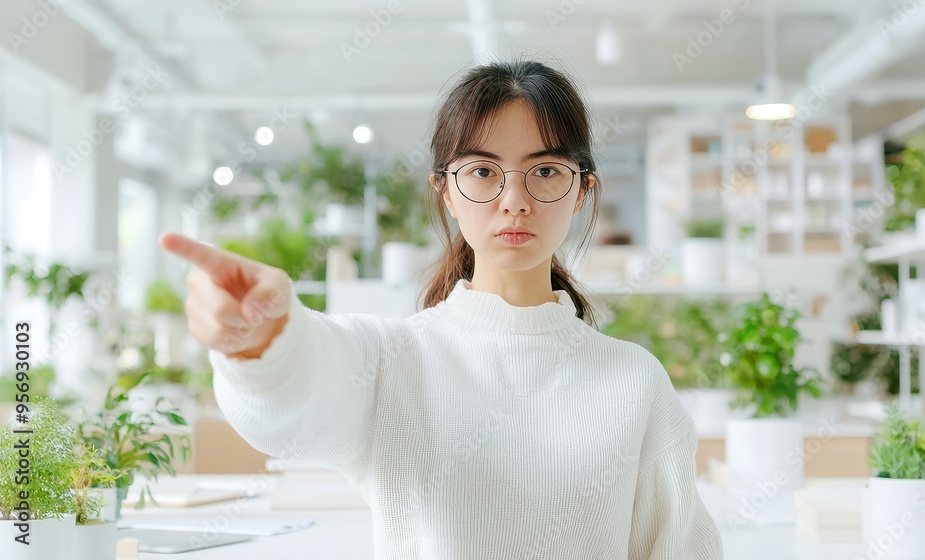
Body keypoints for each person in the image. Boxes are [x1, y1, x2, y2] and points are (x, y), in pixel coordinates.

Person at [160, 59, 723, 559]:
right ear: (446, 192)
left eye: (546, 171)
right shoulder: (394, 360)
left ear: (582, 191)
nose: (514, 201)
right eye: (482, 171)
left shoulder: (634, 382)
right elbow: (292, 404)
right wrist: (260, 341)